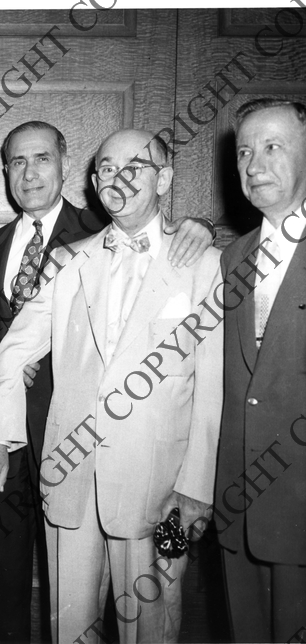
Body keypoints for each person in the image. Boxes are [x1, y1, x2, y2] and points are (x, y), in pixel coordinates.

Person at [0, 121, 215, 643]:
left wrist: (196, 486)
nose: (119, 178)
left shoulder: (203, 265)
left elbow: (212, 389)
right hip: (68, 474)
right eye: (108, 169)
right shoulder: (70, 260)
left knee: (151, 627)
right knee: (69, 625)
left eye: (135, 167)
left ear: (164, 180)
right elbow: (13, 352)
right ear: (94, 183)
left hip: (154, 483)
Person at [216, 98, 306, 642]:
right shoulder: (232, 258)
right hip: (240, 503)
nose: (254, 165)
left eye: (273, 147)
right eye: (245, 151)